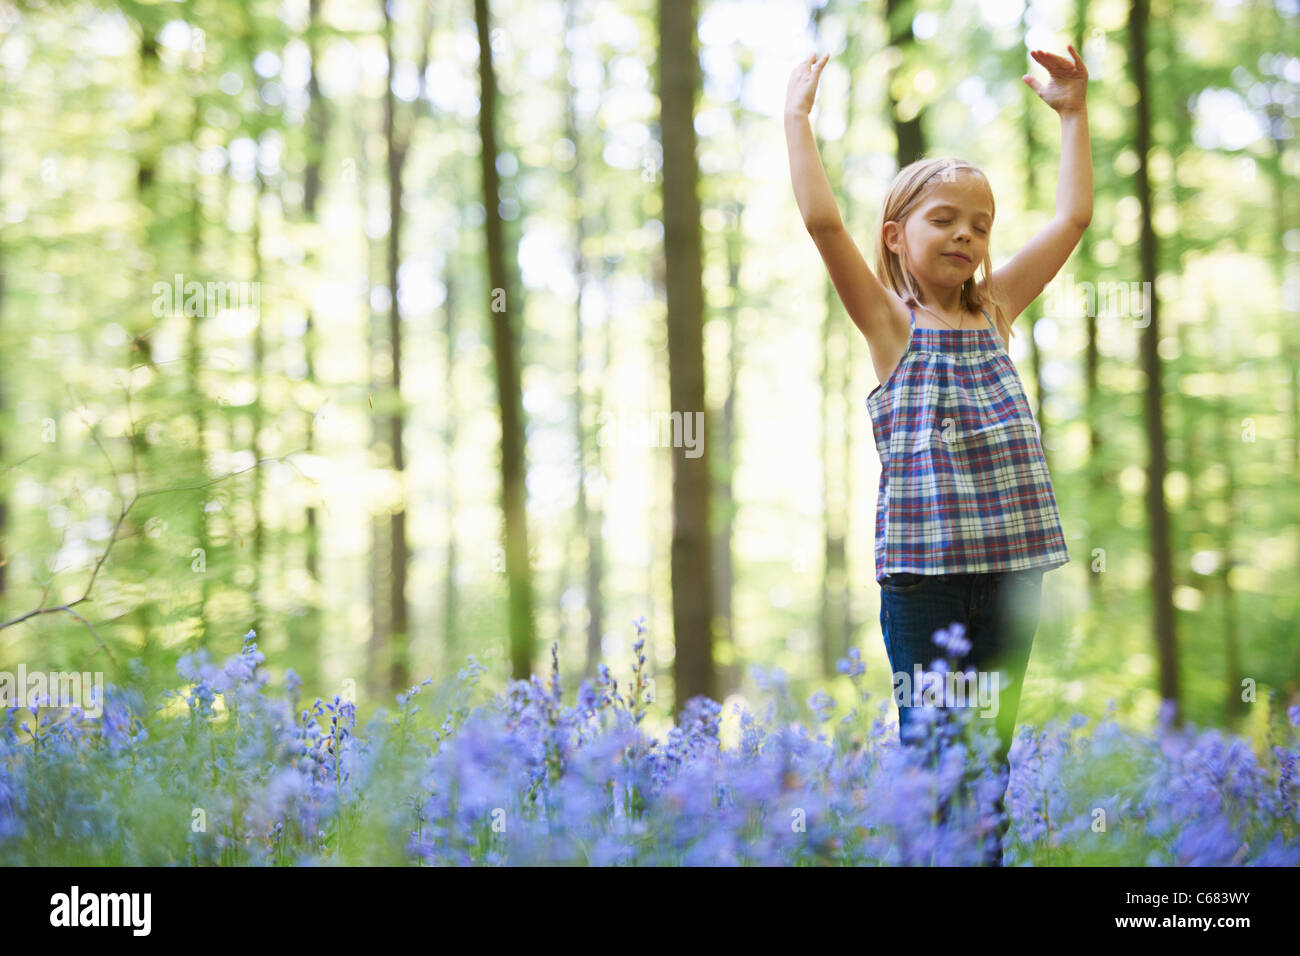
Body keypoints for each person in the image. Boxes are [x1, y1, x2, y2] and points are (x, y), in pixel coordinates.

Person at [784, 45, 1092, 865]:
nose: (967, 234)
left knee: (985, 770)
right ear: (897, 234)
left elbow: (1071, 221)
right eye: (944, 219)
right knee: (936, 765)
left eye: (981, 224)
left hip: (1011, 574)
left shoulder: (997, 313)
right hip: (925, 578)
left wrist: (1073, 116)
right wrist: (797, 118)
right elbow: (822, 223)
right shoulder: (892, 327)